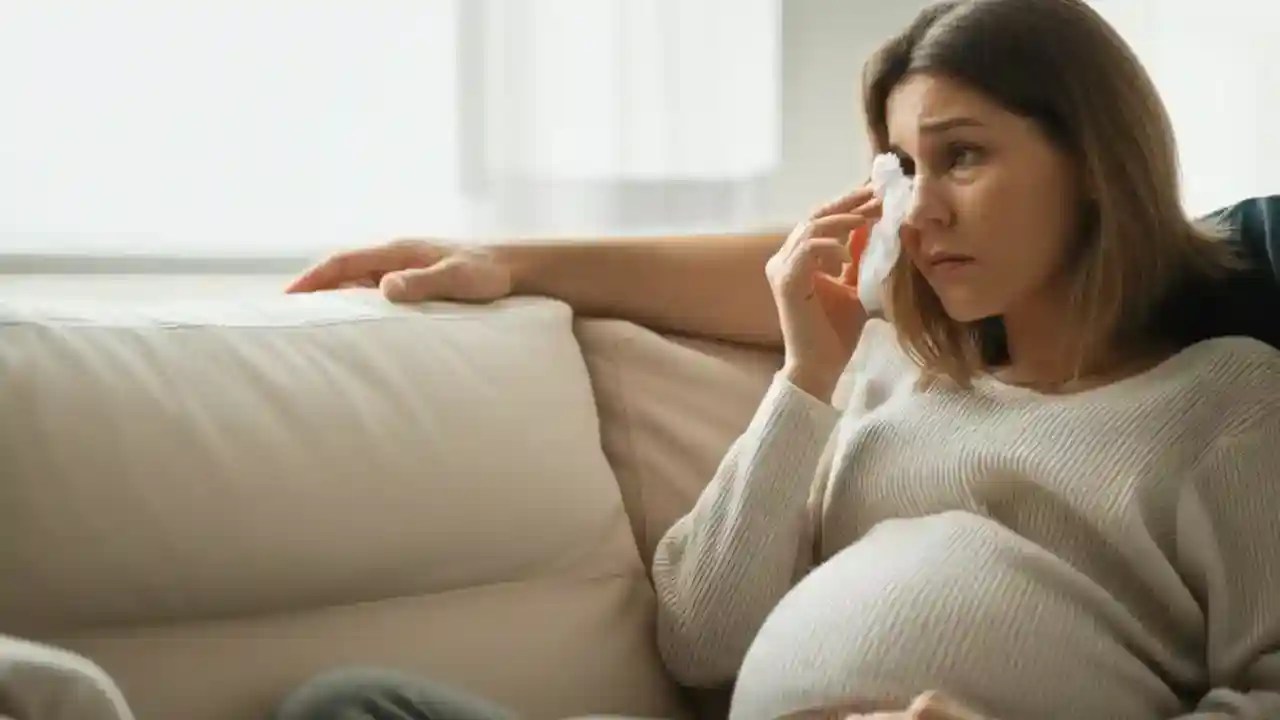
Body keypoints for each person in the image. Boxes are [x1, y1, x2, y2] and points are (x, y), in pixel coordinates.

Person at [275, 0, 1280, 718]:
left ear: (1096, 163)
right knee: (353, 704)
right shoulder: (882, 370)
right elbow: (700, 639)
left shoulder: (1228, 401)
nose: (917, 208)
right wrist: (804, 377)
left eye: (961, 155)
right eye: (899, 169)